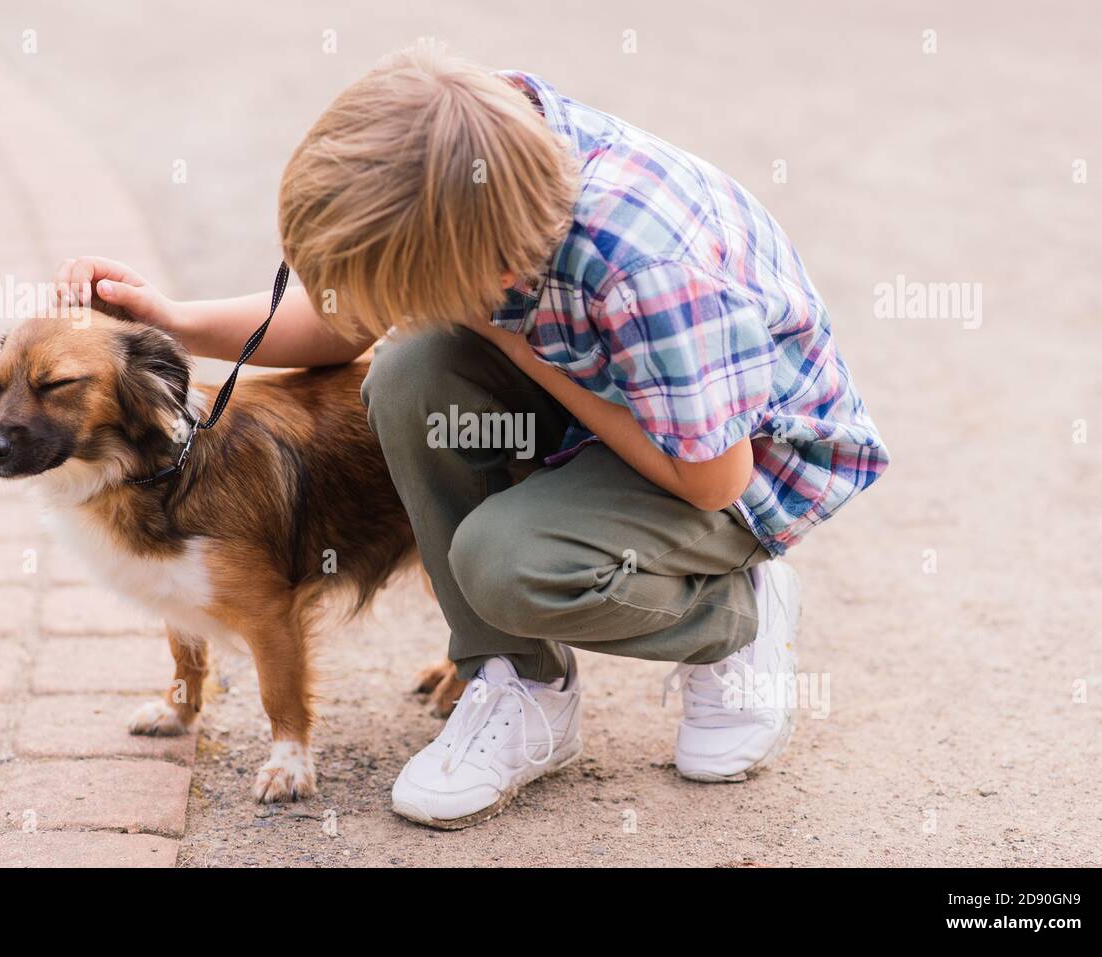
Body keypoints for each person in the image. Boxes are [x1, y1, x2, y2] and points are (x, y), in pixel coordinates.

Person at [56, 40, 888, 830]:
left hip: (735, 463)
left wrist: (514, 343)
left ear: (488, 273)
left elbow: (709, 477)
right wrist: (173, 321)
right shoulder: (464, 167)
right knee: (408, 369)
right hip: (609, 393)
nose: (366, 304)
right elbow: (345, 328)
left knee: (506, 562)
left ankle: (735, 608)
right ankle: (520, 679)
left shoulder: (649, 268)